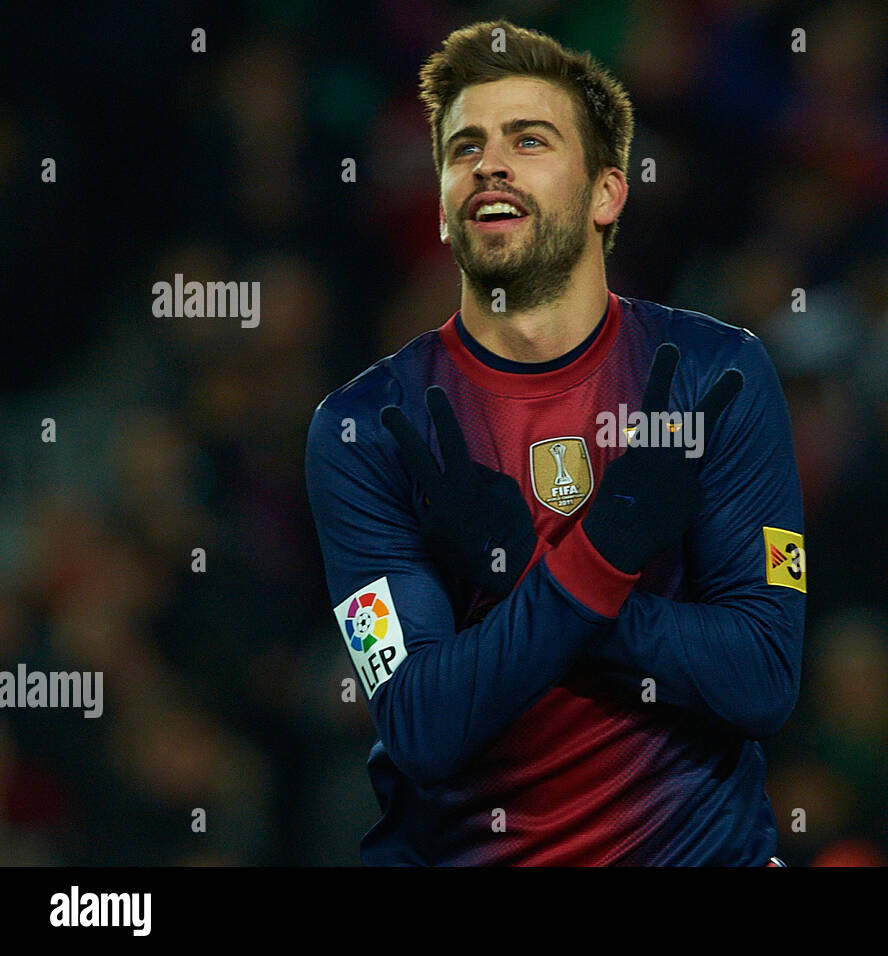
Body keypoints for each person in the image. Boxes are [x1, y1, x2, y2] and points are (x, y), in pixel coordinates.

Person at [305, 19, 805, 865]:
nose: (490, 163)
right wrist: (602, 553)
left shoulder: (715, 377)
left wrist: (521, 578)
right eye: (465, 148)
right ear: (440, 204)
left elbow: (762, 676)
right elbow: (423, 725)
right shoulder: (367, 427)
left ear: (608, 193)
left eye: (529, 140)